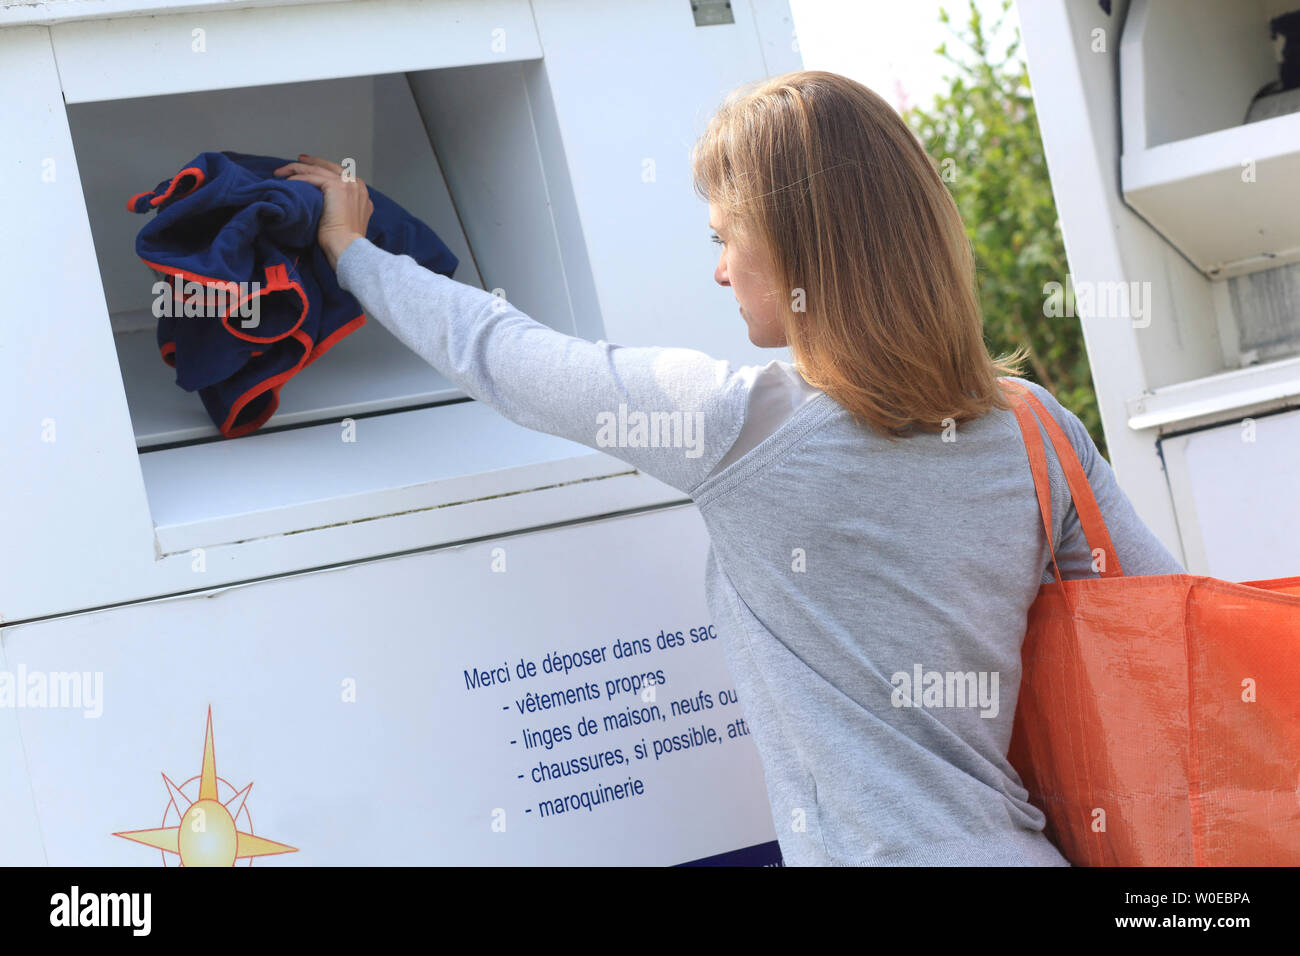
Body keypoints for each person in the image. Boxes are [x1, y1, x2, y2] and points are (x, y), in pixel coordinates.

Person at [274, 70, 1184, 866]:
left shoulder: (740, 424)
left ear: (794, 246)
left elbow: (500, 353)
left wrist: (351, 251)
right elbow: (1160, 641)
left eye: (724, 236)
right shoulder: (1035, 428)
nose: (717, 271)